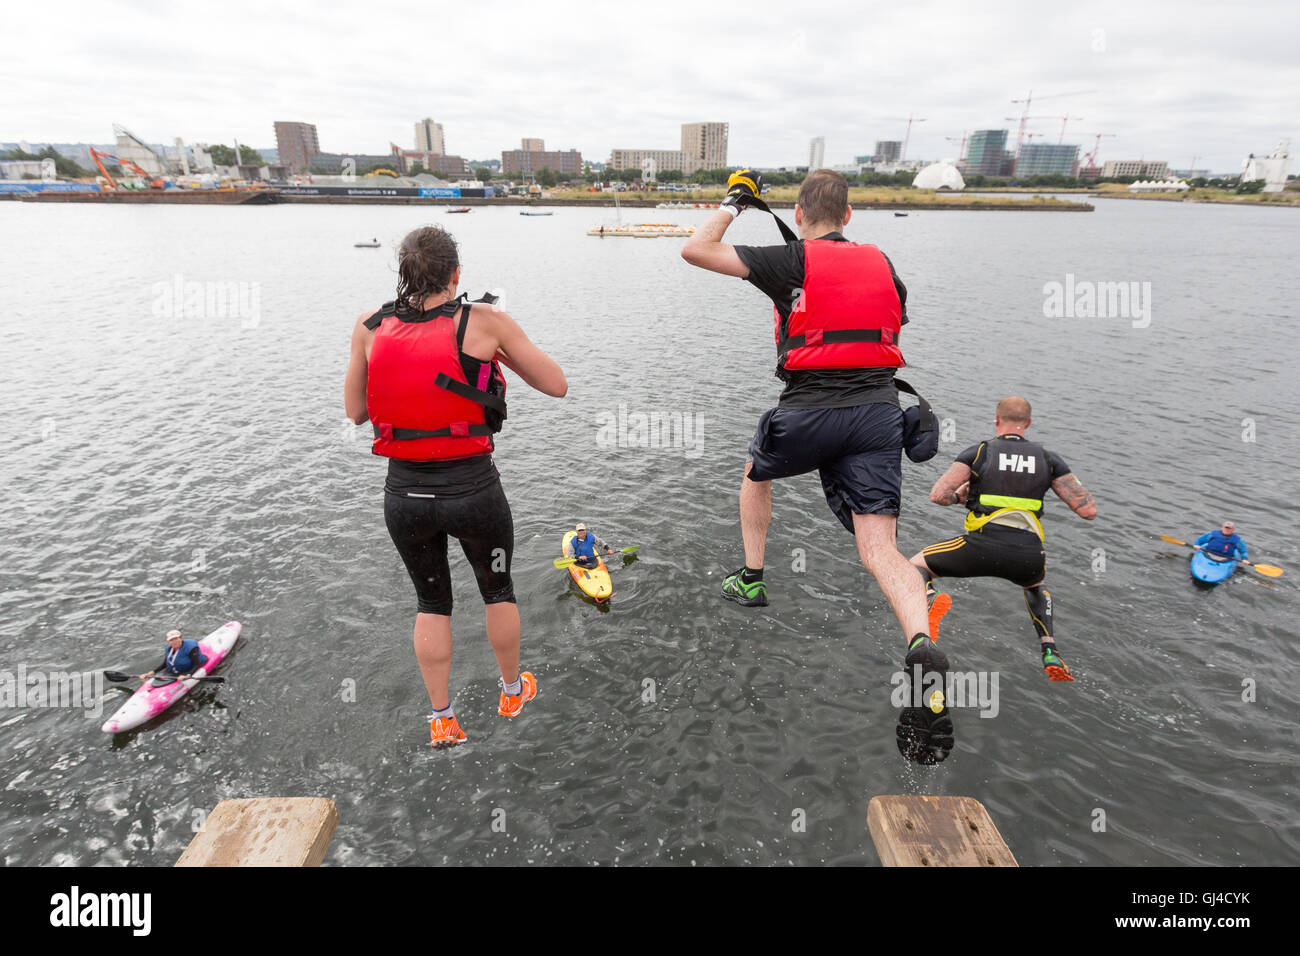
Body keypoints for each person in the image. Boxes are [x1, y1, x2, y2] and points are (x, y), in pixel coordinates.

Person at [681, 167, 949, 763]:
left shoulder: (791, 259)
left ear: (798, 216)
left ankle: (751, 577)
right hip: (881, 413)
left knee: (756, 474)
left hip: (809, 410)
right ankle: (921, 640)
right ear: (849, 216)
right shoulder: (883, 263)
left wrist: (734, 204)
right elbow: (891, 316)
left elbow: (695, 249)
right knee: (880, 549)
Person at [344, 225, 568, 747]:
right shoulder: (485, 322)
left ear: (403, 272)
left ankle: (442, 719)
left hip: (404, 498)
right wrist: (498, 352)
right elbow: (556, 384)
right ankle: (512, 691)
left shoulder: (368, 325)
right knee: (498, 591)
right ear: (456, 274)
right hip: (473, 494)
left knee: (431, 603)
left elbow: (356, 412)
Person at [910, 396, 1097, 682]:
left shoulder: (980, 452)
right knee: (1035, 585)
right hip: (1027, 556)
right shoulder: (1048, 459)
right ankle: (1050, 649)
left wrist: (963, 495)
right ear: (1029, 423)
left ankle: (929, 600)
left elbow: (938, 495)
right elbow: (1087, 511)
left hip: (980, 547)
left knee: (915, 565)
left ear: (996, 420)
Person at [138, 629, 207, 683]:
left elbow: (196, 664)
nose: (174, 642)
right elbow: (165, 664)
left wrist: (188, 675)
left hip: (190, 669)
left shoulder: (191, 648)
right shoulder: (168, 649)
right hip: (175, 672)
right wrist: (151, 673)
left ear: (181, 638)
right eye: (171, 640)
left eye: (176, 638)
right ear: (168, 642)